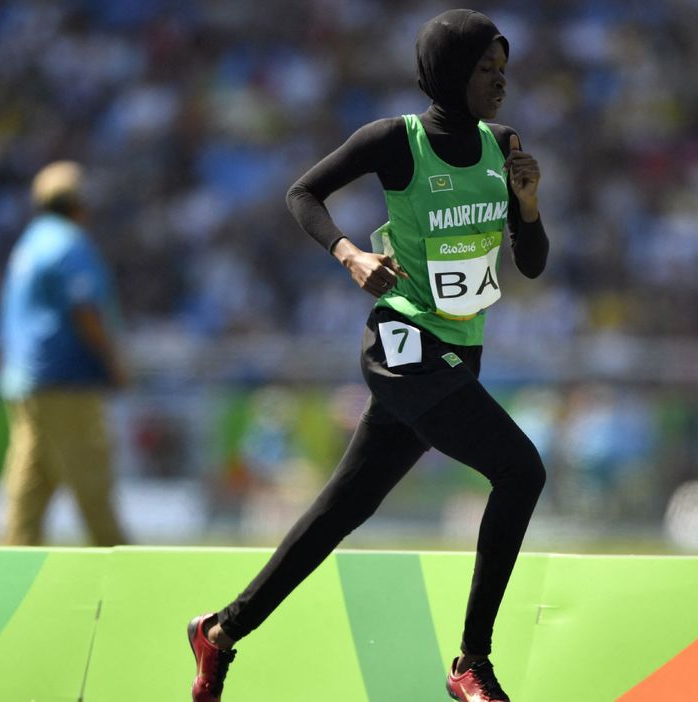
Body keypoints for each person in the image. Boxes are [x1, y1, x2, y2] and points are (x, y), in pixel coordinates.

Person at [187, 10, 548, 702]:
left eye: (504, 69)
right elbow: (303, 193)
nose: (500, 82)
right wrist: (349, 253)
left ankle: (220, 631)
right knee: (520, 470)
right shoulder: (395, 140)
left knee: (342, 509)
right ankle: (472, 662)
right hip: (402, 344)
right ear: (448, 72)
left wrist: (528, 208)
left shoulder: (504, 146)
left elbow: (530, 264)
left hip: (458, 353)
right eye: (485, 69)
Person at [0, 160, 127, 546]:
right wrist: (113, 363)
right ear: (79, 204)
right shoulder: (69, 243)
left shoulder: (29, 243)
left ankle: (11, 569)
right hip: (66, 381)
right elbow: (84, 311)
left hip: (25, 380)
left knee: (29, 489)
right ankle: (124, 569)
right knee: (93, 486)